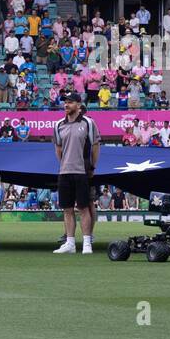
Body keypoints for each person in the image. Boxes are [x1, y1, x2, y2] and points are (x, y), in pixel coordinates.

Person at [52, 92, 100, 254]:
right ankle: (70, 243)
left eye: (70, 102)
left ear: (79, 105)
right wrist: (64, 164)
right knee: (67, 209)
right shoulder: (59, 124)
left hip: (82, 171)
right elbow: (58, 148)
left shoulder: (88, 123)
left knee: (84, 207)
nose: (66, 105)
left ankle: (87, 242)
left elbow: (95, 146)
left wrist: (92, 167)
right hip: (65, 172)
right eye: (65, 102)